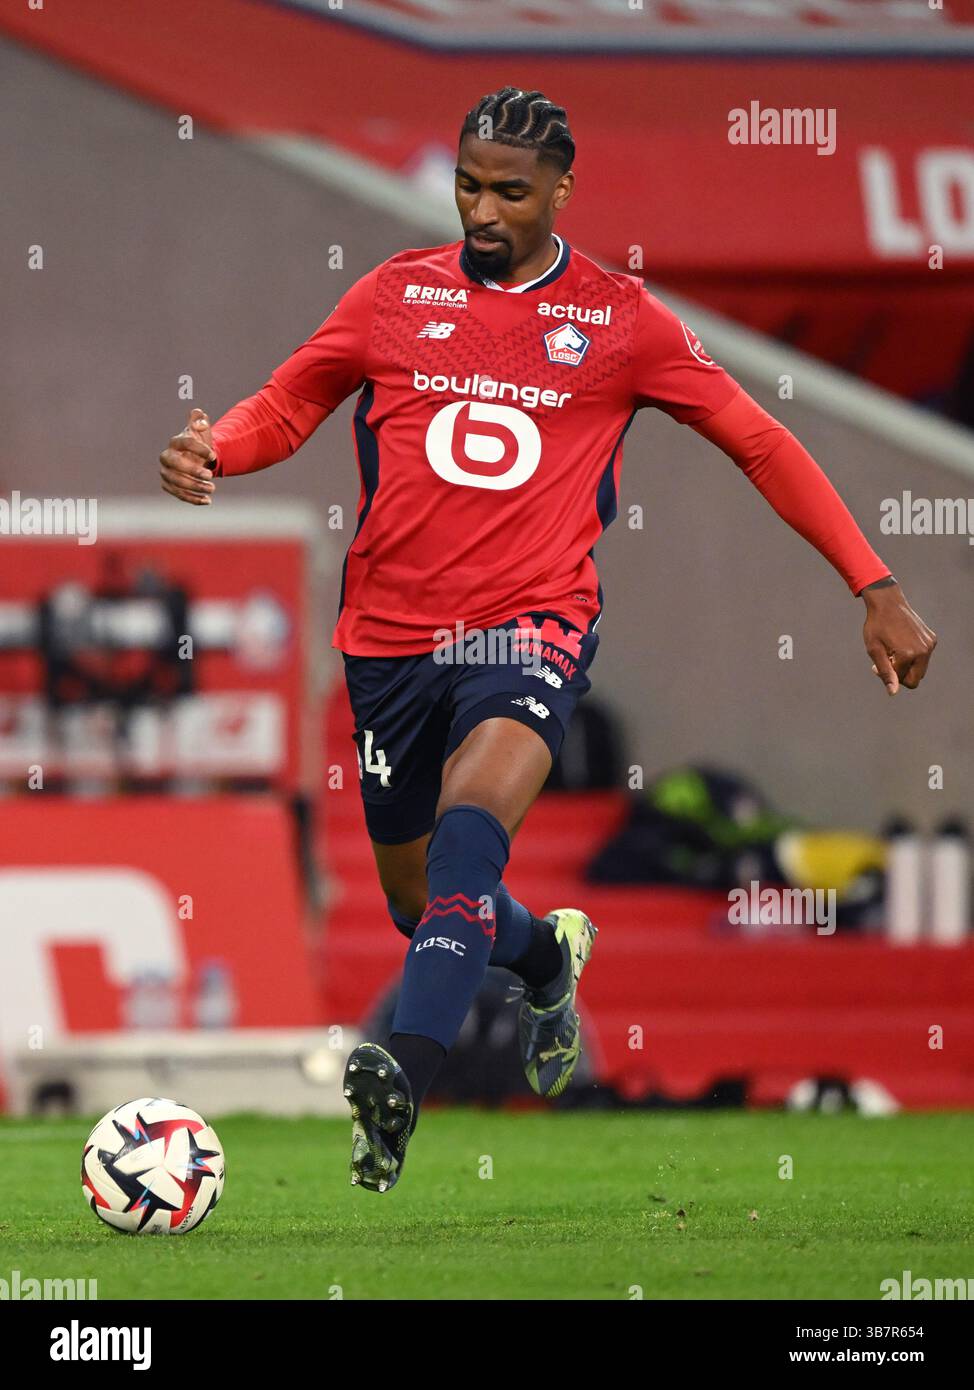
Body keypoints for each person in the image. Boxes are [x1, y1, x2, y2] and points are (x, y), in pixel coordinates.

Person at [159, 87, 937, 1192]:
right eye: (470, 184)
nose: (482, 209)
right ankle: (544, 955)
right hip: (387, 643)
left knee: (472, 840)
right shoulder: (394, 295)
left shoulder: (624, 323)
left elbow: (757, 442)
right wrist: (217, 452)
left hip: (531, 628)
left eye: (510, 191)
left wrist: (873, 581)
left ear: (562, 190)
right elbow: (289, 404)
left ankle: (400, 1072)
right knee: (415, 898)